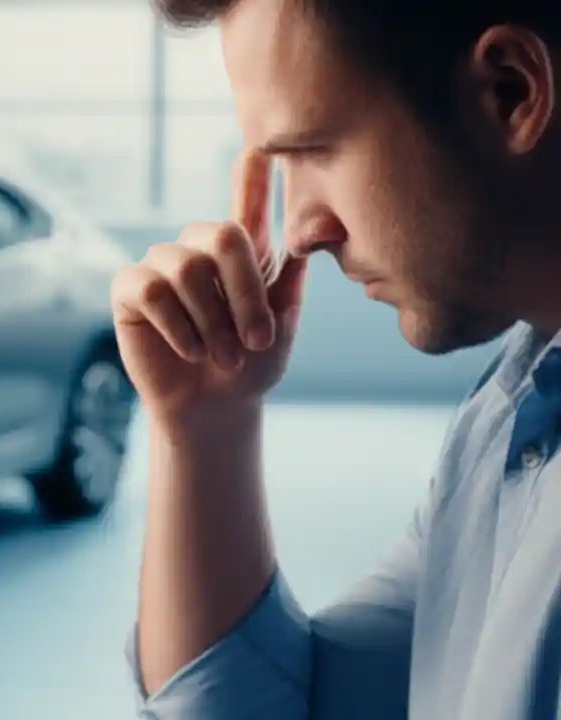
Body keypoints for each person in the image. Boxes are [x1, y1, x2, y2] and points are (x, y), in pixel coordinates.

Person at [111, 0, 561, 717]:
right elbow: (305, 704)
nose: (301, 233)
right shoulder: (513, 418)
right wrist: (206, 430)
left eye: (315, 151)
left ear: (511, 92)